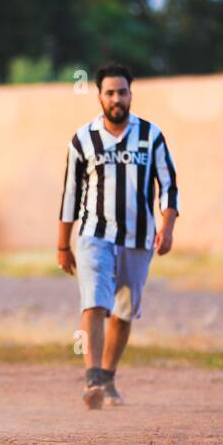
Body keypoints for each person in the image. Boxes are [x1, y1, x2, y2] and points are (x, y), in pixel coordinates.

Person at [57, 62, 178, 409]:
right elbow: (69, 194)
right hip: (94, 234)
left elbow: (168, 186)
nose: (116, 98)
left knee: (124, 311)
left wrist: (167, 226)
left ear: (130, 94)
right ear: (99, 96)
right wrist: (63, 244)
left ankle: (108, 377)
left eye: (122, 92)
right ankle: (92, 378)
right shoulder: (83, 140)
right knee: (95, 302)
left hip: (139, 238)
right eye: (109, 92)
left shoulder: (151, 136)